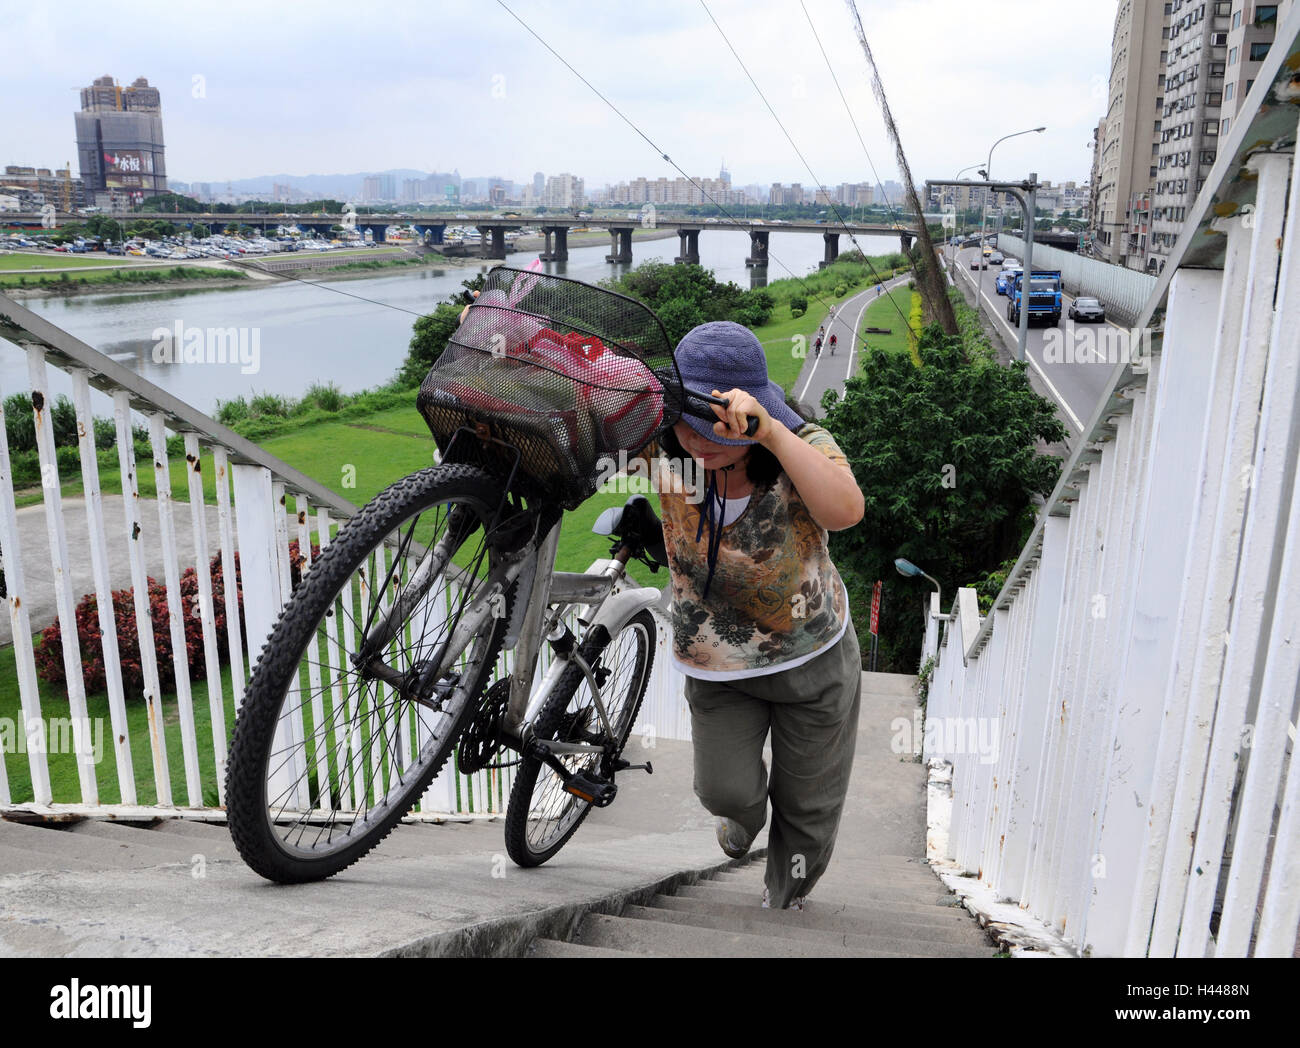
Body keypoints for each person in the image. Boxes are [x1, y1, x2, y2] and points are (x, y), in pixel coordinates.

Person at [633, 320, 865, 911]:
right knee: (724, 789)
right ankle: (742, 824)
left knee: (809, 809)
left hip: (811, 658)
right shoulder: (664, 450)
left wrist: (772, 435)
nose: (700, 439)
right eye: (686, 420)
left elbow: (845, 509)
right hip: (717, 661)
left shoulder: (801, 446)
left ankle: (782, 904)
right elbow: (584, 414)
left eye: (716, 424)